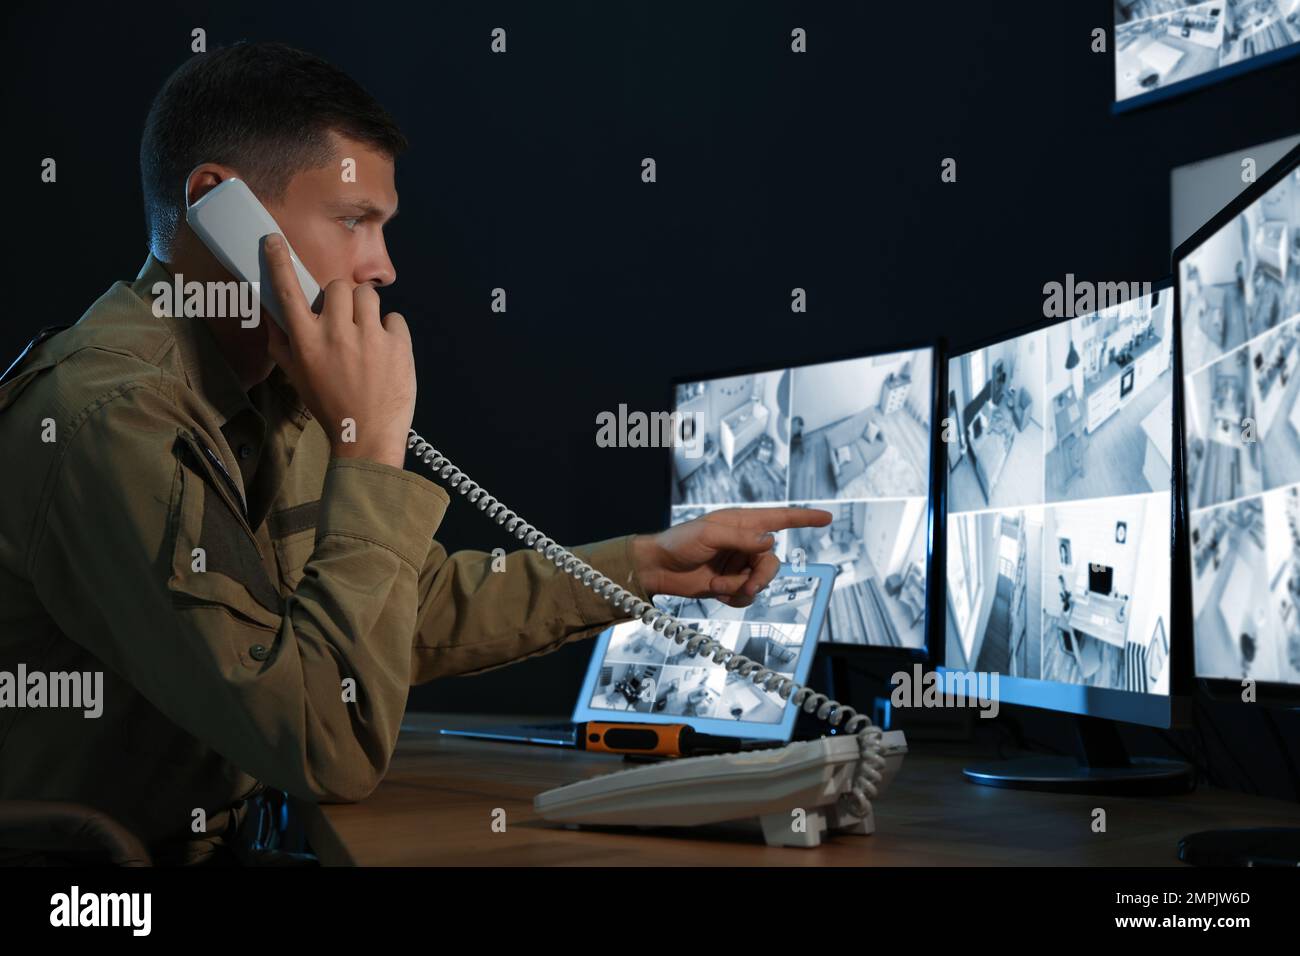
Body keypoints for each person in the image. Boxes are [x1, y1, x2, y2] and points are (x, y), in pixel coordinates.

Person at [0, 42, 829, 865]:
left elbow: (397, 607)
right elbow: (327, 741)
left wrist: (644, 569)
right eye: (355, 221)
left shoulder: (271, 389)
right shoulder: (107, 416)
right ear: (222, 210)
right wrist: (369, 447)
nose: (384, 266)